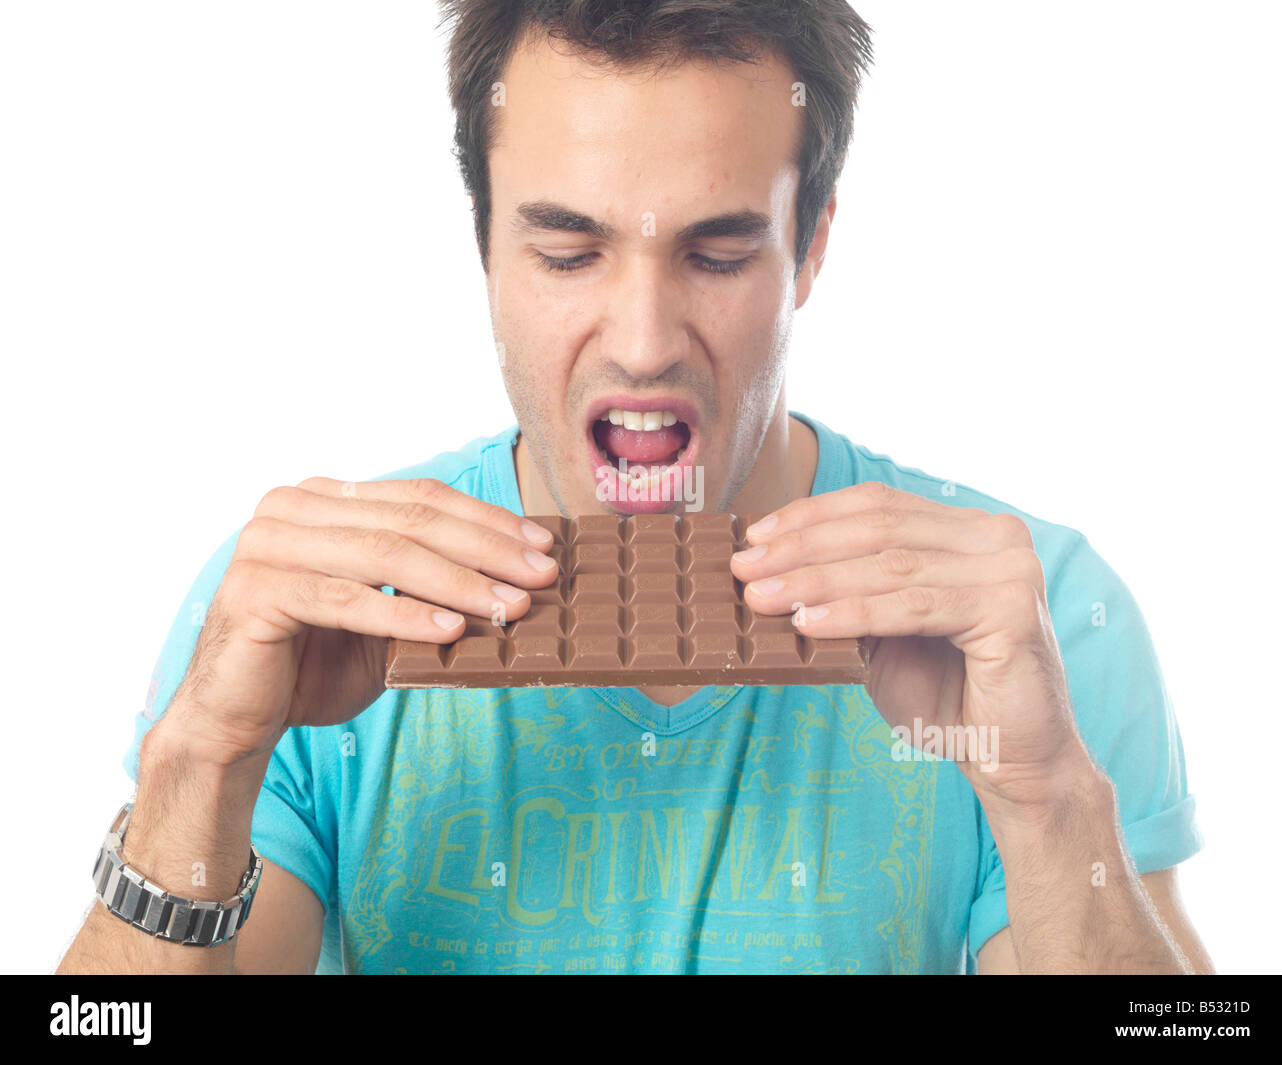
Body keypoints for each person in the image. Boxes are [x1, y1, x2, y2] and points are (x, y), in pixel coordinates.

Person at [58, 0, 1212, 975]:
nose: (645, 341)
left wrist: (1050, 797)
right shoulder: (310, 609)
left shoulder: (1031, 615)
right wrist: (201, 757)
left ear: (810, 247)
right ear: (484, 247)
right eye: (568, 253)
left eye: (717, 255)